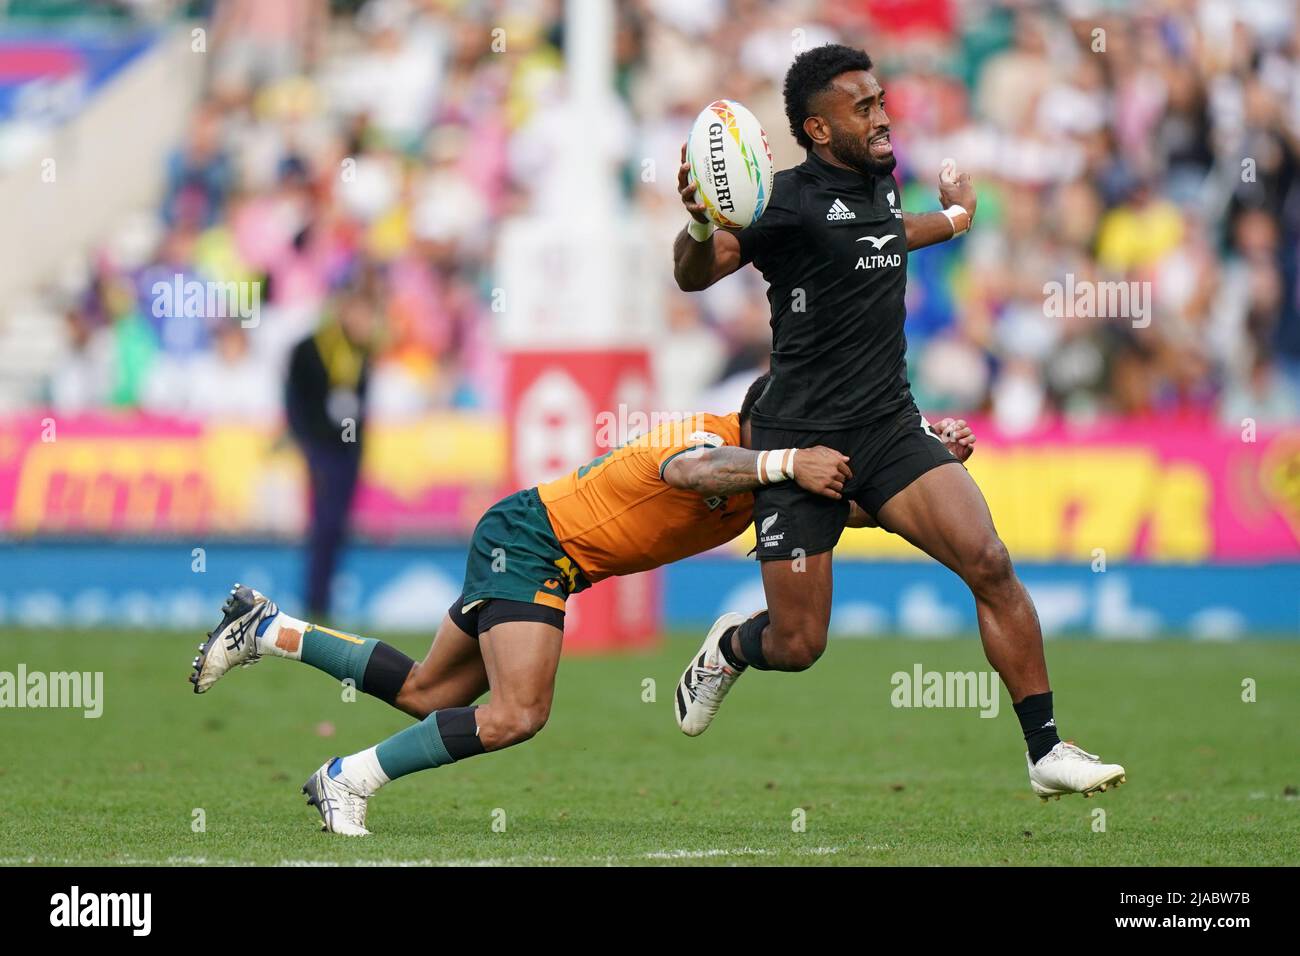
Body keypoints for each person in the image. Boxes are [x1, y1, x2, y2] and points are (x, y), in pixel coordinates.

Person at [189, 374, 974, 834]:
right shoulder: (713, 439)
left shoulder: (768, 473)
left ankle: (270, 629)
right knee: (517, 714)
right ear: (770, 426)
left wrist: (926, 462)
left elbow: (856, 508)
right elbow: (694, 474)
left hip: (537, 541)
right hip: (533, 540)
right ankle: (346, 778)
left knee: (430, 692)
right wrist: (781, 459)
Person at [670, 43, 1125, 802]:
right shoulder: (781, 203)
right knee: (798, 642)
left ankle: (1045, 750)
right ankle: (733, 647)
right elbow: (697, 273)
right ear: (819, 130)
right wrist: (693, 226)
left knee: (988, 560)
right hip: (798, 439)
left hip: (888, 425)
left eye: (881, 100)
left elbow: (881, 235)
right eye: (865, 107)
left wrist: (954, 218)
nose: (883, 115)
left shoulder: (879, 182)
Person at [285, 287, 377, 621]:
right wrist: (307, 442)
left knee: (337, 528)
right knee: (323, 527)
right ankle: (315, 601)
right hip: (322, 451)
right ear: (344, 311)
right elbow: (296, 402)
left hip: (347, 454)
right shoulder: (310, 350)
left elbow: (361, 407)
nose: (367, 323)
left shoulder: (361, 353)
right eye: (362, 314)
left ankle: (324, 600)